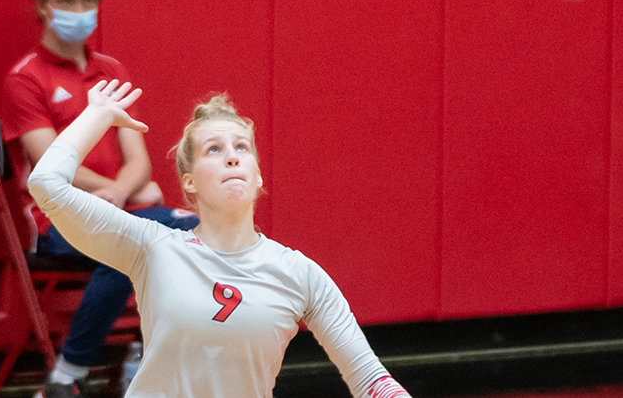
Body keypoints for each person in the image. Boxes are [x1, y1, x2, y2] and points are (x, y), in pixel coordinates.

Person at [27, 80, 413, 398]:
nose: (232, 157)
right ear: (189, 183)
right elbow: (46, 183)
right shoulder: (151, 246)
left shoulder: (301, 273)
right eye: (214, 149)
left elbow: (372, 381)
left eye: (241, 148)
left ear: (257, 176)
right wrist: (96, 115)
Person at [0, 0, 198, 398]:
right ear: (43, 5)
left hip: (120, 209)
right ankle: (67, 375)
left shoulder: (111, 71)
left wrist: (121, 193)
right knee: (130, 243)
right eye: (68, 0)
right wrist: (119, 193)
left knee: (195, 230)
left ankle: (150, 357)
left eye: (88, 0)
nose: (80, 10)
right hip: (58, 219)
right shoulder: (25, 79)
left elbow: (139, 161)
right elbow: (50, 161)